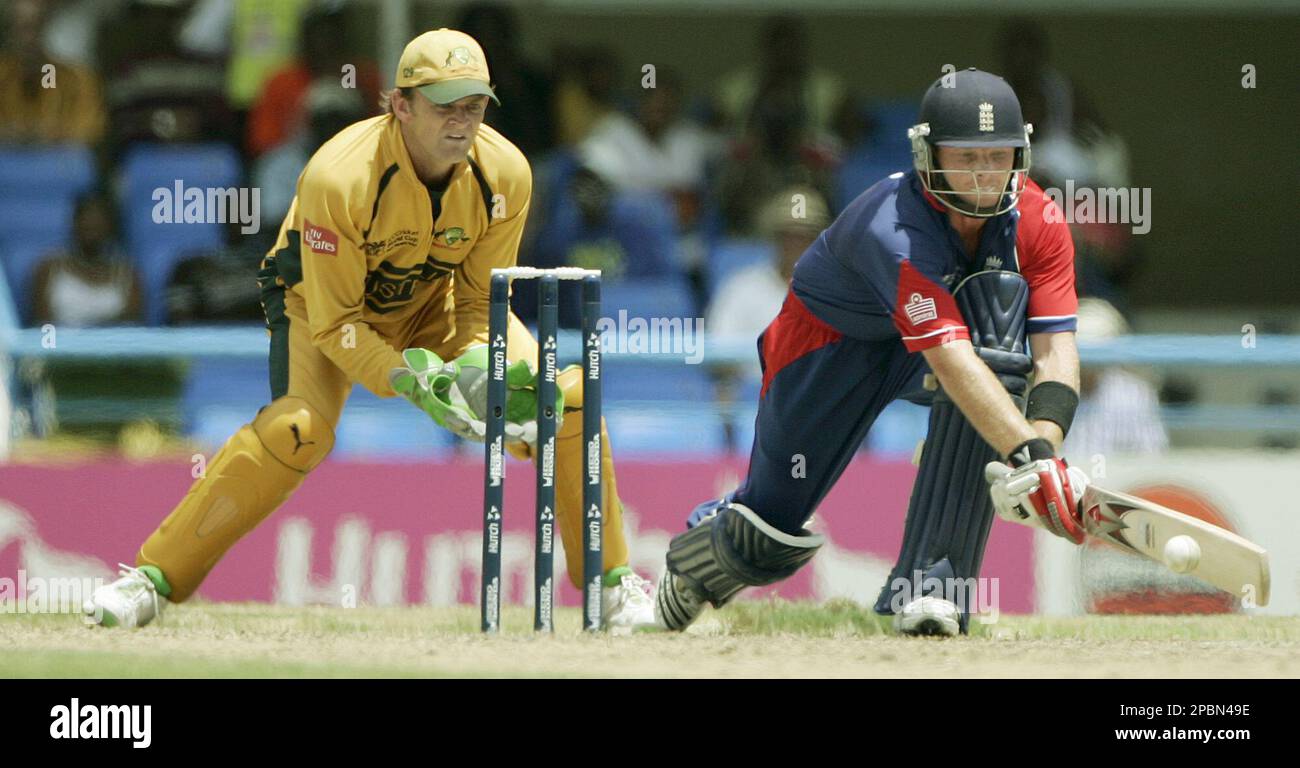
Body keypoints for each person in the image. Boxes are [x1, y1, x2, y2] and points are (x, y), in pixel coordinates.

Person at [84, 29, 657, 633]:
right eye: (444, 106)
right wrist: (416, 384)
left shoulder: (505, 175)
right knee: (296, 433)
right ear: (399, 105)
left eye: (474, 105)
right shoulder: (341, 177)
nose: (462, 123)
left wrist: (472, 372)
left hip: (433, 307)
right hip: (318, 309)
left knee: (563, 401)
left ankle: (614, 589)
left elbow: (473, 303)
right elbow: (339, 324)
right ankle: (149, 580)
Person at [653, 68, 1086, 636]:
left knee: (997, 317)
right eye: (965, 157)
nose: (984, 174)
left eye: (997, 155)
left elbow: (1055, 350)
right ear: (928, 154)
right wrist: (1030, 458)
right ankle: (692, 567)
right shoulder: (894, 228)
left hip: (942, 351)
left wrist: (1042, 452)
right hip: (828, 351)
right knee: (767, 535)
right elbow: (950, 360)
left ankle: (931, 588)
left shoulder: (1040, 218)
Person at [31, 193, 141, 327]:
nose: (91, 228)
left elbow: (132, 327)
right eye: (86, 222)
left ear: (111, 227)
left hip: (110, 347)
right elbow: (42, 327)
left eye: (98, 223)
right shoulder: (48, 269)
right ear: (74, 224)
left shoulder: (128, 275)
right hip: (61, 346)